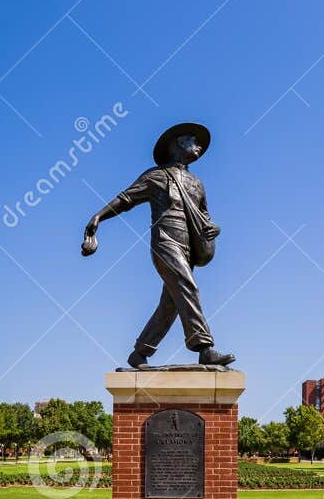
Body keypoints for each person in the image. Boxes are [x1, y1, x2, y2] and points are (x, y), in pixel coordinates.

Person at [81, 121, 236, 368]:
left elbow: (205, 218)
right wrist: (98, 216)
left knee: (171, 304)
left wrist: (214, 229)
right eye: (193, 140)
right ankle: (204, 347)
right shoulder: (157, 176)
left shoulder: (197, 183)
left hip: (189, 248)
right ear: (177, 143)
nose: (199, 146)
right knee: (188, 288)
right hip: (166, 241)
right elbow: (126, 199)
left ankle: (140, 352)